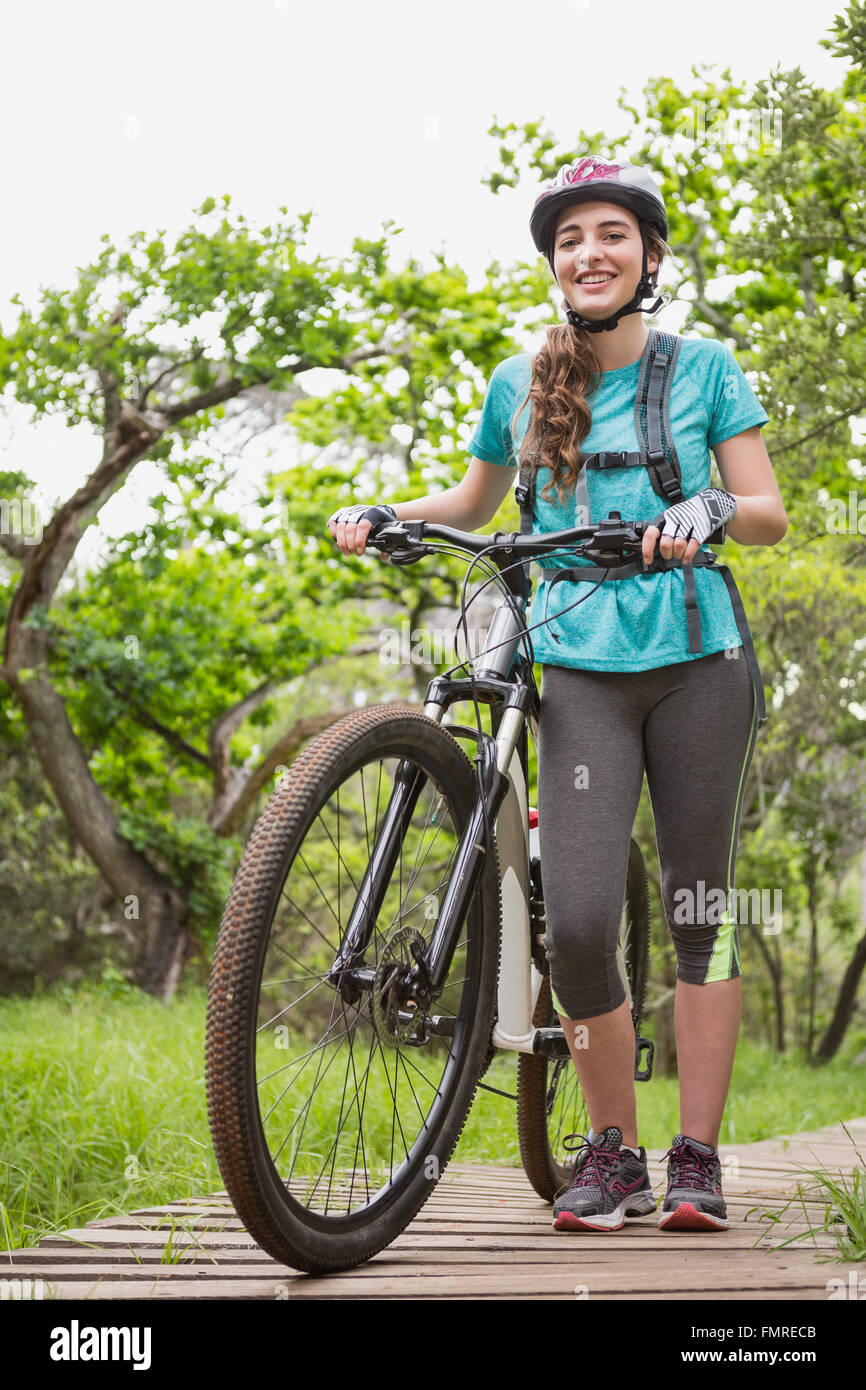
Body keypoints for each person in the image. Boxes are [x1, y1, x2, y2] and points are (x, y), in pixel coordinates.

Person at [328, 154, 787, 1234]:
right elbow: (476, 496)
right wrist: (387, 510)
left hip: (696, 660)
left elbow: (766, 508)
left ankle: (698, 1156)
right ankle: (611, 1154)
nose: (589, 252)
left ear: (647, 257)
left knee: (696, 911)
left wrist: (713, 510)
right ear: (552, 262)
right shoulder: (519, 381)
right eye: (569, 238)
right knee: (575, 924)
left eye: (610, 235)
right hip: (574, 662)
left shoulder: (706, 368)